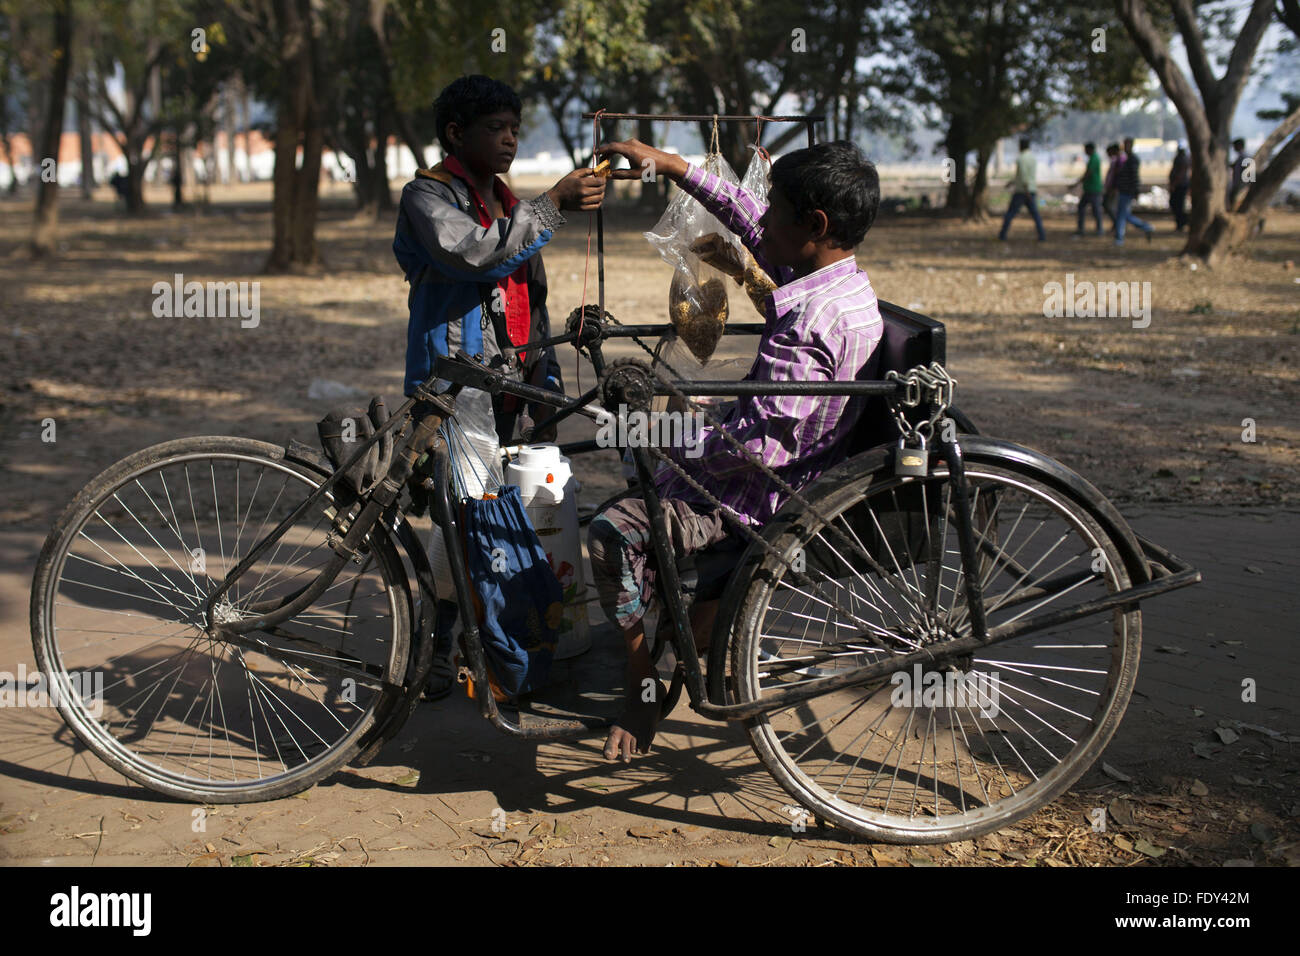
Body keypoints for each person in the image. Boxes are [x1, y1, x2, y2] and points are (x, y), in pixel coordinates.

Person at [587, 137, 884, 761]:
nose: (761, 224)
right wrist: (673, 167)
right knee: (637, 442)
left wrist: (676, 437)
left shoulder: (811, 327)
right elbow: (748, 218)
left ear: (815, 225)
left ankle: (643, 685)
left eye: (776, 211)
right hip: (773, 467)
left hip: (753, 500)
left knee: (610, 532)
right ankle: (689, 632)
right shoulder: (838, 285)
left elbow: (757, 448)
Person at [392, 75, 606, 698]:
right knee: (464, 517)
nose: (510, 139)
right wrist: (555, 203)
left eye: (515, 127)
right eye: (496, 128)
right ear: (457, 134)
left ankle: (491, 641)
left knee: (494, 513)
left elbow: (529, 299)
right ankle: (441, 645)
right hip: (457, 389)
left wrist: (547, 369)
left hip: (512, 384)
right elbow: (477, 256)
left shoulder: (508, 201)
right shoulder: (426, 197)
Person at [997, 137, 1045, 241]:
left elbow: (1023, 176)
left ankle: (1002, 235)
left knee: (1010, 214)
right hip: (1031, 189)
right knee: (1035, 214)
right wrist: (1011, 182)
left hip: (1022, 191)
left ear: (1020, 146)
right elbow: (1022, 175)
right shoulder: (1033, 158)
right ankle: (1042, 235)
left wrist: (1025, 189)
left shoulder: (1021, 158)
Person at [1113, 136, 1153, 245]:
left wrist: (1135, 191)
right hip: (1124, 190)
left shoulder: (1133, 160)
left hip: (1127, 191)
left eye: (1127, 145)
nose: (1125, 147)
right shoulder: (1127, 159)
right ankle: (1146, 227)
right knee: (1125, 215)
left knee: (1121, 215)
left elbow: (1135, 177)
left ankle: (1119, 238)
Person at [1073, 141, 1104, 236]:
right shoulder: (1092, 158)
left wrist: (1077, 183)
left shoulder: (1094, 159)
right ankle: (1083, 229)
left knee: (1095, 210)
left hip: (1094, 189)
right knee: (1085, 208)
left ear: (1090, 149)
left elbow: (1088, 173)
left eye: (1086, 149)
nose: (1085, 151)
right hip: (1090, 188)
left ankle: (1098, 230)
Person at [1102, 142, 1124, 231]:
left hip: (1115, 188)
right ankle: (1117, 224)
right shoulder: (1115, 161)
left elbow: (1119, 176)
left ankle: (1118, 224)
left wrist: (1115, 188)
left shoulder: (1121, 161)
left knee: (1110, 206)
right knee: (1108, 205)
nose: (1108, 155)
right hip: (1112, 187)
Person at [1169, 144, 1191, 231]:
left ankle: (1182, 222)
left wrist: (1174, 184)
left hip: (1180, 185)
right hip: (1180, 184)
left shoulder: (1182, 159)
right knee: (1176, 204)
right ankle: (1181, 222)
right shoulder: (1181, 158)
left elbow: (1181, 173)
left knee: (1178, 205)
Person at [1228, 138, 1249, 207]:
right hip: (1238, 185)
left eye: (1235, 146)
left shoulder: (1244, 157)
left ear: (1239, 146)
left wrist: (1244, 186)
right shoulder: (1240, 157)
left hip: (1241, 186)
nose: (1234, 148)